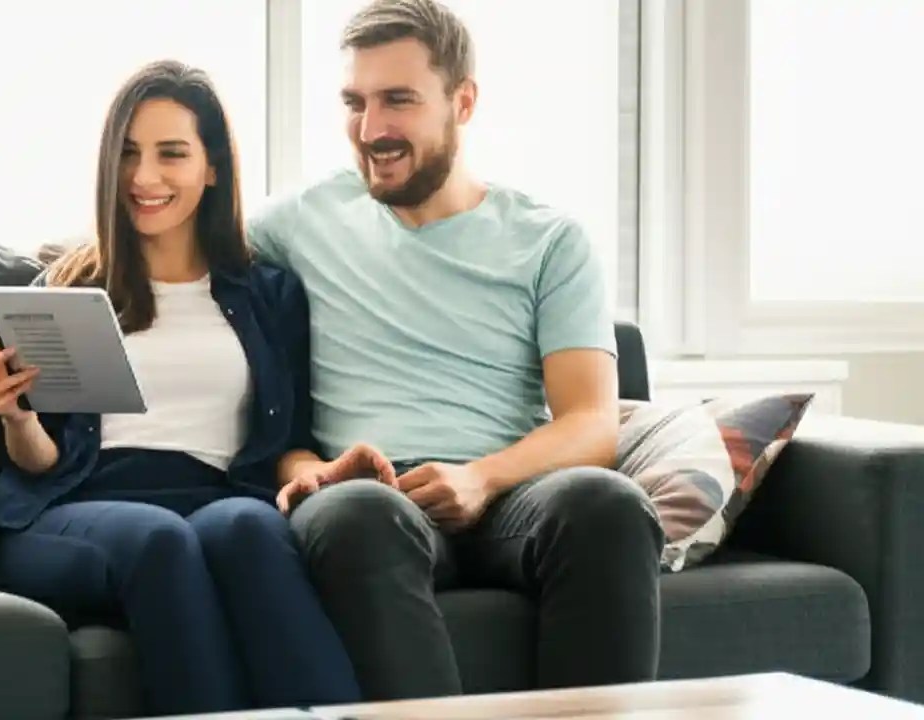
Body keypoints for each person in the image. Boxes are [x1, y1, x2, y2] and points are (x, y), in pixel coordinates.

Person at [249, 0, 665, 702]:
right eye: (355, 102)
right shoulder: (303, 219)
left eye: (399, 100)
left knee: (607, 504)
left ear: (462, 102)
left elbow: (592, 424)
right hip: (375, 491)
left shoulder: (549, 241)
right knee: (354, 514)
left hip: (511, 495)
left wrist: (481, 478)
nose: (371, 129)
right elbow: (165, 240)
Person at [0, 60, 361, 715]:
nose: (144, 177)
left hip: (214, 494)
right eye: (128, 155)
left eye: (171, 154)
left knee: (249, 525)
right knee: (160, 541)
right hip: (80, 508)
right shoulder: (66, 290)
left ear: (212, 167)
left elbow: (285, 440)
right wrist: (17, 418)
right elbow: (44, 463)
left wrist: (320, 473)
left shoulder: (269, 295)